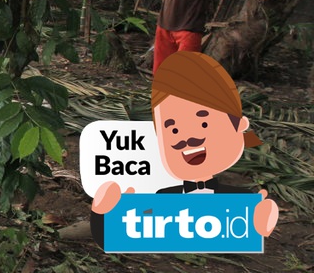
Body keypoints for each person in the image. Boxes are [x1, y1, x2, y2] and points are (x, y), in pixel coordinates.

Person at [90, 51, 278, 248]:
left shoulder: (242, 202)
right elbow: (121, 234)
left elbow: (248, 232)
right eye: (173, 129)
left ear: (239, 125)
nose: (186, 139)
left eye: (203, 124)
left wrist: (260, 224)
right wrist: (104, 214)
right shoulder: (163, 198)